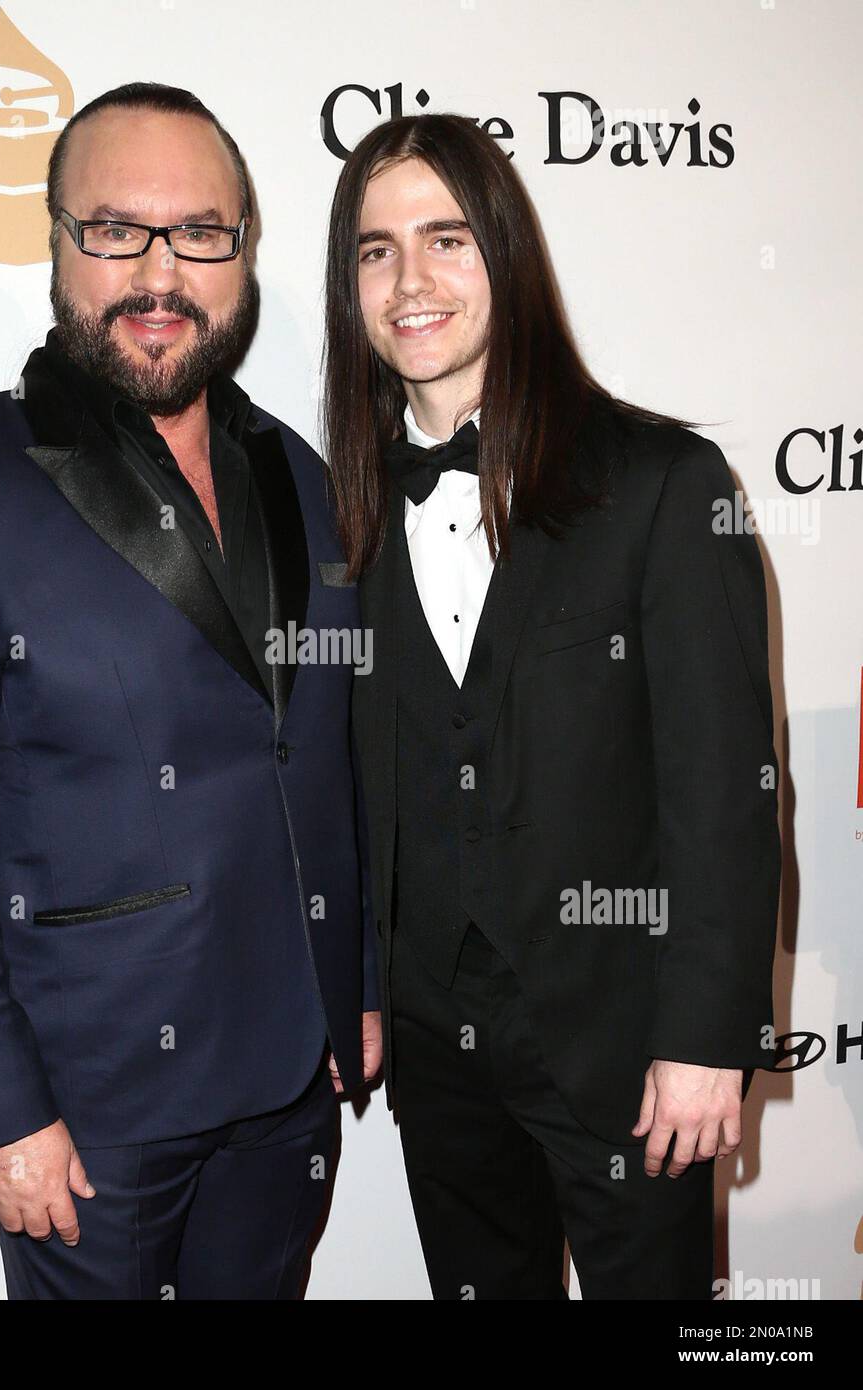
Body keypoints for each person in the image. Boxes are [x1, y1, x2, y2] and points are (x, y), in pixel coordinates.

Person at [0, 82, 381, 1301]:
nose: (160, 273)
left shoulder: (300, 472)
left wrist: (356, 982)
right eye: (118, 230)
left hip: (288, 1076)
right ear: (57, 241)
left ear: (242, 251)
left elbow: (326, 754)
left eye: (200, 233)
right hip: (86, 1111)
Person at [323, 113, 781, 1300]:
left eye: (446, 239)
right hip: (434, 1043)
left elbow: (724, 791)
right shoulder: (337, 520)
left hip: (626, 1042)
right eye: (375, 250)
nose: (409, 281)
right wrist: (353, 985)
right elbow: (341, 786)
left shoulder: (661, 484)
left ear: (507, 256)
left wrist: (705, 1038)